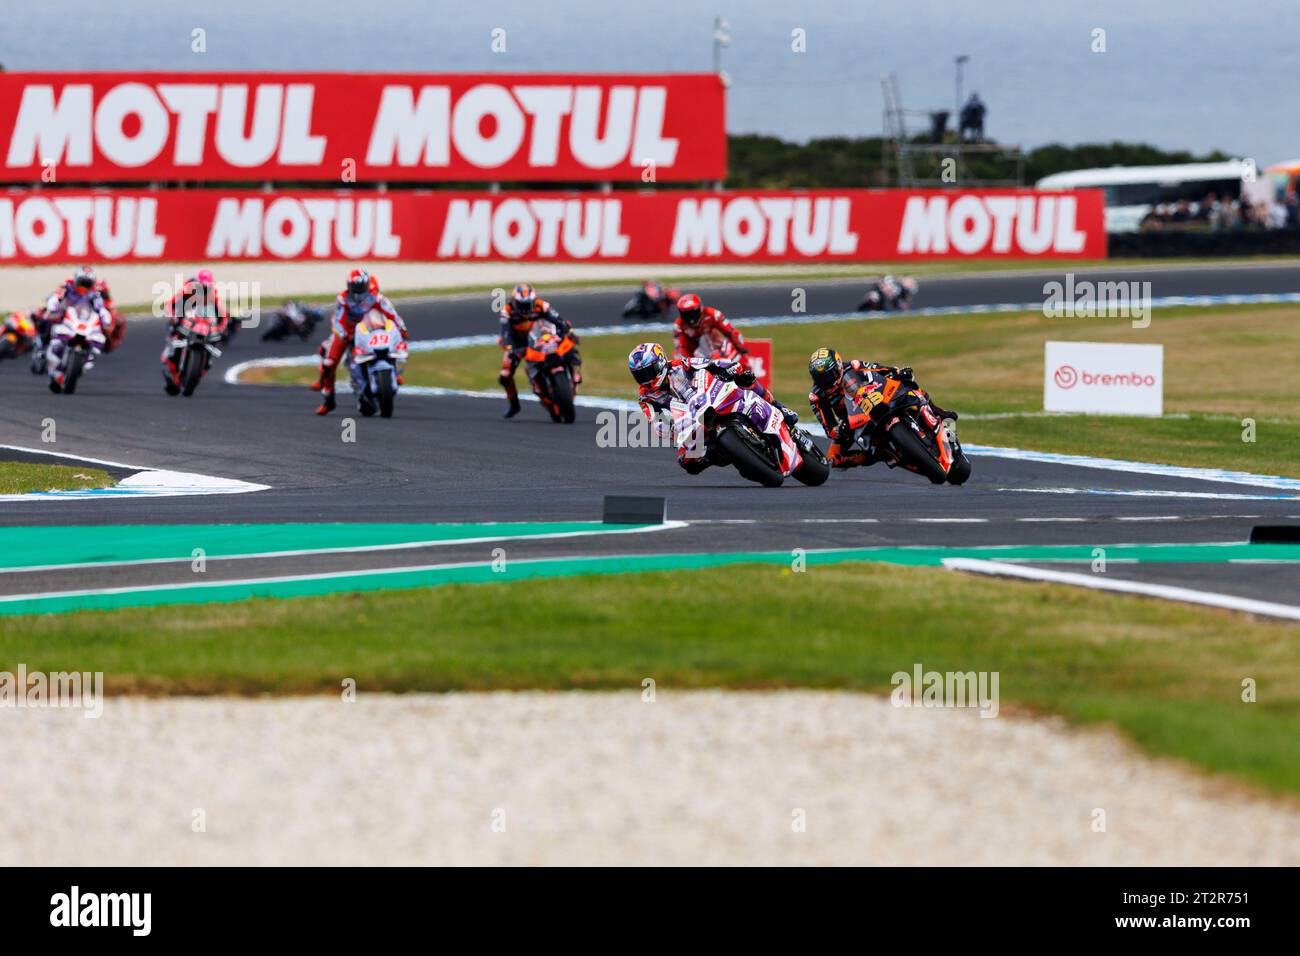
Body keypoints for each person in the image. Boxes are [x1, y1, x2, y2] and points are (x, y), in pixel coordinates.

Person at [628, 342, 798, 474]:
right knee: (689, 463)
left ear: (660, 363)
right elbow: (655, 421)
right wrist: (669, 428)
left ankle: (779, 408)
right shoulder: (645, 397)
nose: (646, 379)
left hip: (709, 397)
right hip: (689, 420)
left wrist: (727, 368)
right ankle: (731, 452)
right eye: (640, 375)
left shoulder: (681, 364)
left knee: (745, 378)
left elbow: (708, 364)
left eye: (649, 371)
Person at [807, 347, 955, 468]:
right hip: (852, 421)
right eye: (819, 378)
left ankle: (937, 411)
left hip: (875, 399)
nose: (825, 382)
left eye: (827, 376)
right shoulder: (816, 397)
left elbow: (879, 369)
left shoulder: (853, 366)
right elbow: (830, 429)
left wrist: (897, 371)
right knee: (833, 459)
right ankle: (879, 455)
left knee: (908, 383)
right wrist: (840, 429)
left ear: (838, 368)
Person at [312, 269, 408, 415]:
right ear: (349, 286)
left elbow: (391, 313)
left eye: (360, 287)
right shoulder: (343, 300)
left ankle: (393, 374)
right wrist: (343, 333)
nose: (357, 292)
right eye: (354, 288)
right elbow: (338, 320)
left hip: (368, 329)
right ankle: (329, 401)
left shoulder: (375, 297)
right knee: (329, 363)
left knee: (391, 341)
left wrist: (402, 328)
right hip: (348, 332)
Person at [497, 283, 580, 418]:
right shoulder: (507, 312)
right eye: (521, 305)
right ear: (514, 302)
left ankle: (574, 375)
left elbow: (559, 320)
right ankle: (514, 404)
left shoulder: (542, 305)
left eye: (528, 304)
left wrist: (568, 331)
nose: (525, 309)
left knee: (569, 349)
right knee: (505, 374)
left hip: (541, 338)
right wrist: (511, 349)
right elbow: (506, 334)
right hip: (518, 344)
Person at [161, 269, 230, 394]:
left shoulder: (213, 293)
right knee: (175, 332)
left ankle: (203, 366)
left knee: (214, 339)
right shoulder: (188, 288)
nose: (204, 290)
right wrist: (174, 316)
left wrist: (222, 326)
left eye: (207, 287)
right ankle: (170, 361)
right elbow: (171, 303)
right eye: (202, 287)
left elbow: (222, 313)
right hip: (185, 319)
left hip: (203, 324)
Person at [35, 266, 114, 372]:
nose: (83, 287)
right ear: (76, 281)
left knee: (101, 334)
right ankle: (42, 346)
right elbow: (55, 299)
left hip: (82, 320)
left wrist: (106, 322)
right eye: (81, 283)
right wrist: (53, 310)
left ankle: (89, 356)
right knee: (45, 319)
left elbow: (102, 310)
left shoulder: (94, 295)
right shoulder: (67, 288)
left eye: (87, 284)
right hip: (63, 313)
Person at [672, 293, 749, 362]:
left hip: (716, 347)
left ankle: (724, 361)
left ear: (700, 308)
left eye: (693, 313)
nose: (691, 318)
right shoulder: (679, 325)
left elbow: (731, 332)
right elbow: (680, 348)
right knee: (677, 355)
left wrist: (740, 347)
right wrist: (688, 363)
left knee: (706, 338)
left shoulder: (713, 314)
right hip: (695, 354)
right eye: (686, 314)